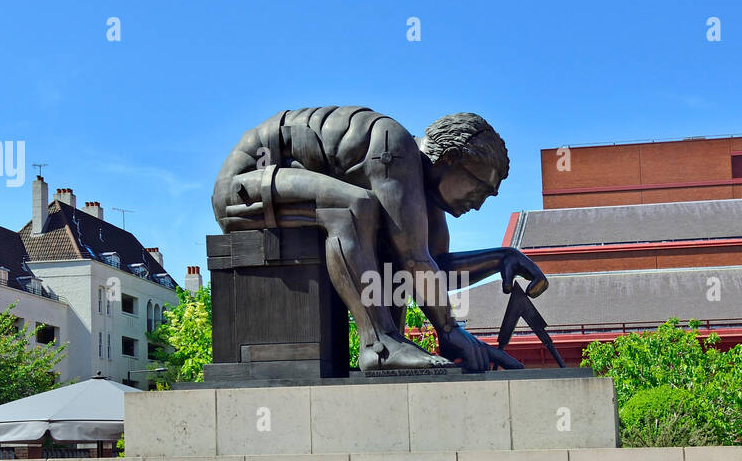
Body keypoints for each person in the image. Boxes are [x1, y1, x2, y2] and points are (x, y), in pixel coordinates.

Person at [212, 107, 548, 371]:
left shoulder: (422, 192)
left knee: (382, 233)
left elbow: (433, 272)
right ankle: (380, 346)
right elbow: (415, 260)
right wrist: (449, 331)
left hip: (278, 190)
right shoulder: (395, 146)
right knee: (353, 208)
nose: (477, 204)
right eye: (478, 189)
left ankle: (390, 343)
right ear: (451, 160)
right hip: (243, 189)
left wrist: (500, 258)